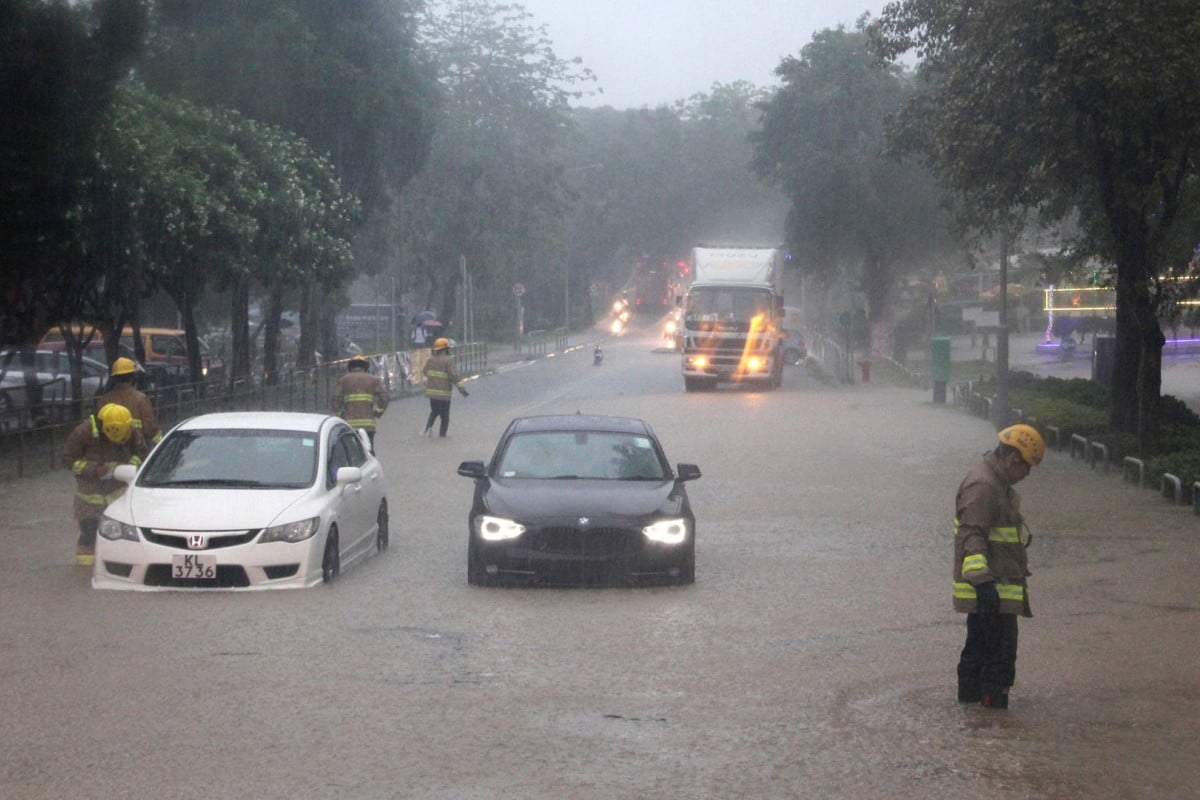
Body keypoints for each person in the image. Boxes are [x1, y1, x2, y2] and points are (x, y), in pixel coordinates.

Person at [953, 423, 1045, 710]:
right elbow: (972, 535)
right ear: (1012, 459)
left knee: (980, 651)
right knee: (997, 659)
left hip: (996, 590)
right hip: (991, 592)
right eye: (1026, 466)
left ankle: (972, 717)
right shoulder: (984, 487)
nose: (1027, 474)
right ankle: (991, 721)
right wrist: (983, 584)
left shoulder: (997, 484)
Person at [62, 403, 148, 566]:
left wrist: (129, 467)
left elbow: (142, 453)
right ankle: (83, 577)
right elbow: (68, 460)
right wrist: (93, 470)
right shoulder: (83, 432)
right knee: (88, 542)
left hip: (118, 494)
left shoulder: (131, 430)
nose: (120, 442)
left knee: (122, 537)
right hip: (88, 498)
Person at [97, 356, 162, 446]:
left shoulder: (104, 400)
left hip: (110, 450)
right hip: (136, 450)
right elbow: (150, 429)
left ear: (114, 379)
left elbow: (98, 428)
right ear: (133, 377)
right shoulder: (141, 399)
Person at [333, 355, 388, 450]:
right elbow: (384, 398)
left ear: (350, 367)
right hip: (368, 425)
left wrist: (339, 414)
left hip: (349, 425)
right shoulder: (373, 380)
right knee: (369, 451)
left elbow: (335, 398)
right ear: (365, 367)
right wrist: (378, 411)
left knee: (351, 452)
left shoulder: (343, 380)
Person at [422, 337, 468, 438]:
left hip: (432, 394)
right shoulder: (448, 361)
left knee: (434, 412)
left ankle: (427, 430)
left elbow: (425, 372)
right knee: (445, 416)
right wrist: (462, 389)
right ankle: (442, 436)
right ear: (445, 349)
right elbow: (454, 376)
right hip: (444, 395)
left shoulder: (430, 360)